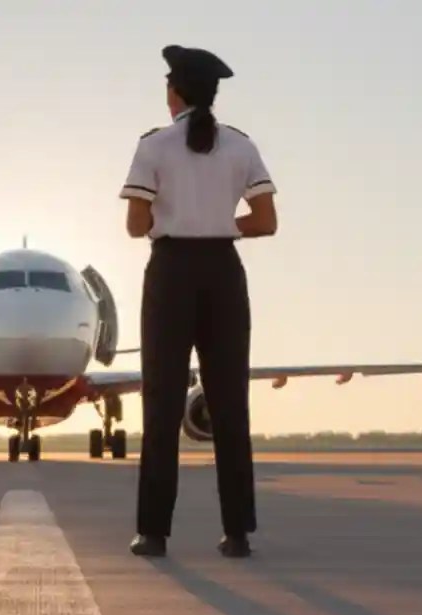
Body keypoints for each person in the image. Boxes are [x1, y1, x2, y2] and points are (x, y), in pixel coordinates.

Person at [119, 45, 278, 558]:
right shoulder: (240, 146)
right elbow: (266, 221)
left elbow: (135, 225)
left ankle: (153, 533)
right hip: (224, 275)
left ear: (175, 93)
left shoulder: (154, 146)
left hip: (171, 274)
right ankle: (238, 533)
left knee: (161, 404)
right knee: (231, 404)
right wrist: (217, 224)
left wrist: (180, 222)